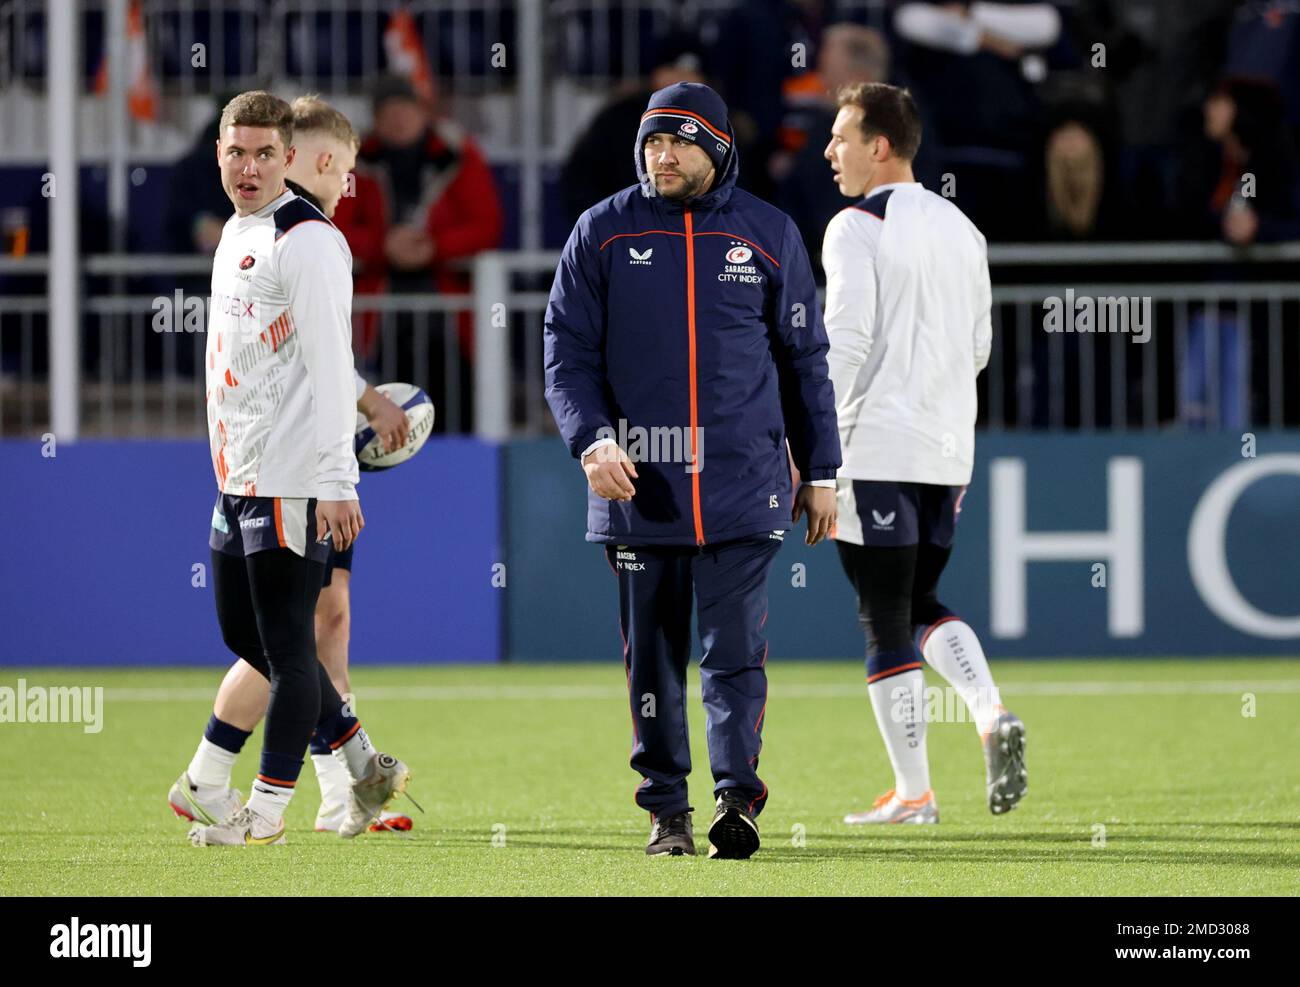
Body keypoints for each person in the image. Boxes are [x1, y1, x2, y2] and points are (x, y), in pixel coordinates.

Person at [544, 82, 840, 859]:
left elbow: (806, 361)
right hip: (640, 489)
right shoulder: (600, 232)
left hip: (745, 488)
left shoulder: (770, 233)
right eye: (651, 141)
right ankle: (666, 813)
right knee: (654, 661)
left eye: (678, 142)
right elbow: (565, 356)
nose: (660, 155)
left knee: (734, 655)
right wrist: (591, 441)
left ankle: (736, 801)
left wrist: (823, 472)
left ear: (718, 149)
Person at [169, 95, 414, 836]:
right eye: (235, 153)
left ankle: (266, 807)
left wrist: (337, 481)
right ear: (218, 154)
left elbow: (330, 365)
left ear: (285, 160)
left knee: (291, 642)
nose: (248, 167)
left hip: (289, 480)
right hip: (236, 475)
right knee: (255, 640)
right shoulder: (238, 232)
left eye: (263, 154)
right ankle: (357, 757)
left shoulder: (307, 240)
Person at [820, 82, 1026, 824]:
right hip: (947, 449)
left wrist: (816, 446)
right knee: (922, 602)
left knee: (883, 615)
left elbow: (845, 340)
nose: (829, 150)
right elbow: (980, 346)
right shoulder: (963, 229)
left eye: (842, 137)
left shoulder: (853, 225)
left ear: (880, 145)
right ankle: (988, 706)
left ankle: (915, 793)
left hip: (873, 443)